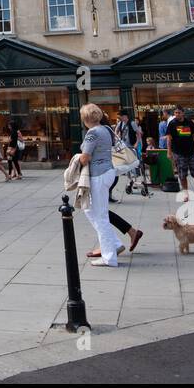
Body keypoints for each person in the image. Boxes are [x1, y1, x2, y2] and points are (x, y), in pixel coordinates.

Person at [77, 103, 123, 267]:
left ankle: (109, 257)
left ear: (85, 118)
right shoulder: (105, 129)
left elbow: (85, 157)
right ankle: (115, 244)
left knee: (100, 216)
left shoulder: (92, 133)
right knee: (90, 209)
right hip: (107, 172)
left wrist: (78, 158)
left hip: (98, 174)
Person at [164, 105, 194, 197]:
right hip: (179, 153)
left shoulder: (189, 122)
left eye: (179, 113)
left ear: (183, 113)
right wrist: (169, 152)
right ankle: (186, 194)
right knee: (182, 175)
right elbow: (169, 139)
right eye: (175, 113)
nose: (177, 114)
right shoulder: (172, 124)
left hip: (192, 152)